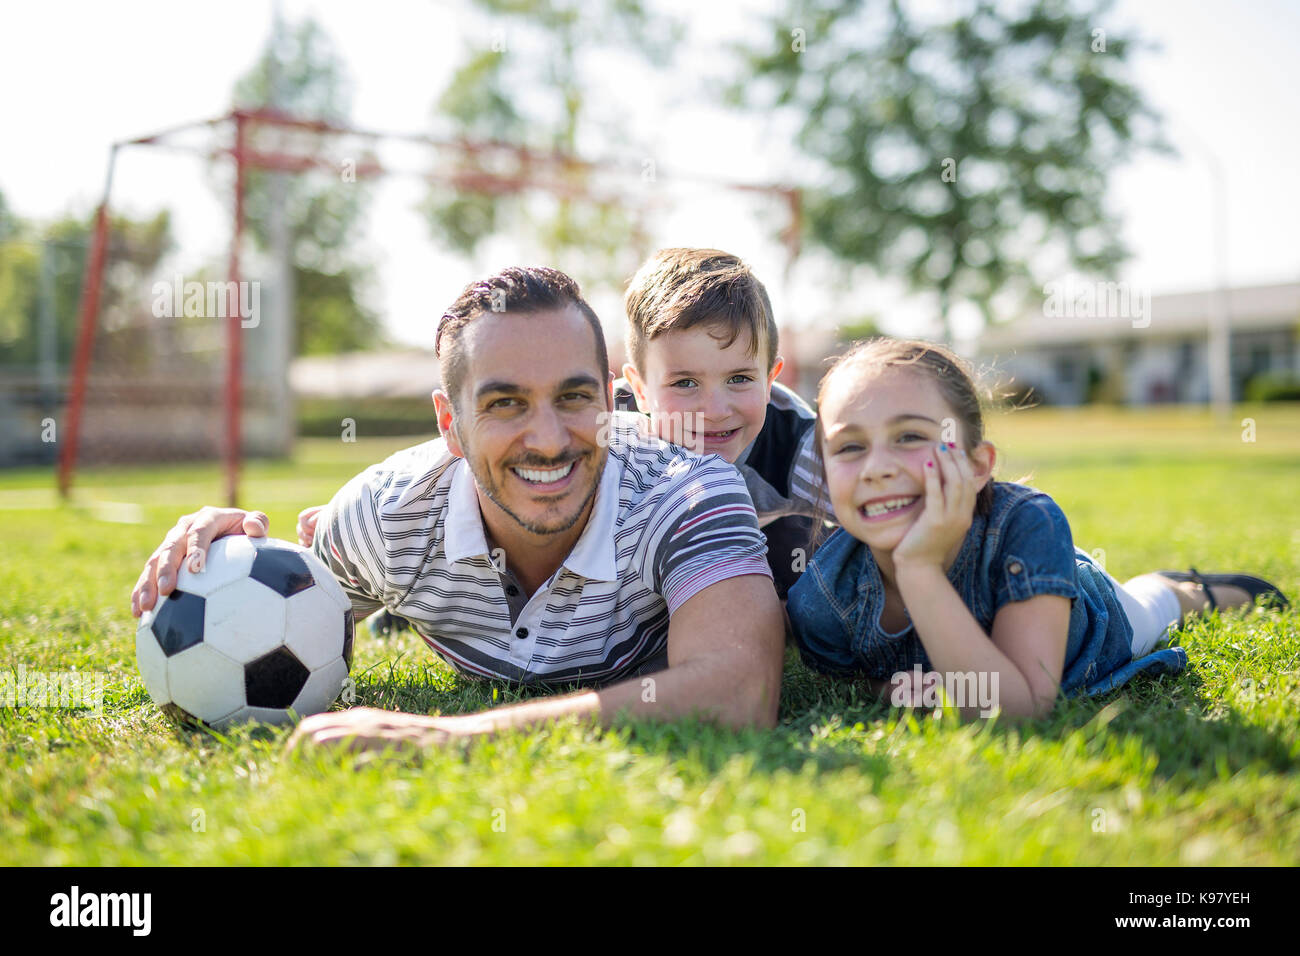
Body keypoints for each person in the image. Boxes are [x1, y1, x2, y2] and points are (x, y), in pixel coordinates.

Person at [131, 267, 786, 753]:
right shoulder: (384, 516)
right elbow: (288, 594)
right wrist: (226, 554)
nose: (550, 439)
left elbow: (739, 689)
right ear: (450, 422)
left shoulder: (690, 492)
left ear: (612, 402)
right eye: (505, 404)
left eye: (573, 397)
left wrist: (450, 739)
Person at [785, 337, 1289, 721]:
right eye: (850, 447)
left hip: (1089, 621)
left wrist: (918, 568)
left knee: (1153, 607)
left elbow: (1020, 709)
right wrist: (934, 689)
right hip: (1031, 591)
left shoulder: (1028, 522)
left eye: (910, 436)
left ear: (979, 466)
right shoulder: (821, 598)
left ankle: (1187, 591)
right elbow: (862, 689)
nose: (876, 467)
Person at [298, 247, 829, 602]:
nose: (714, 410)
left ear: (772, 375)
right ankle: (398, 613)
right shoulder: (605, 429)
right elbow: (492, 437)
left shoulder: (805, 450)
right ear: (637, 389)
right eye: (684, 384)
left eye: (739, 379)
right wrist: (364, 523)